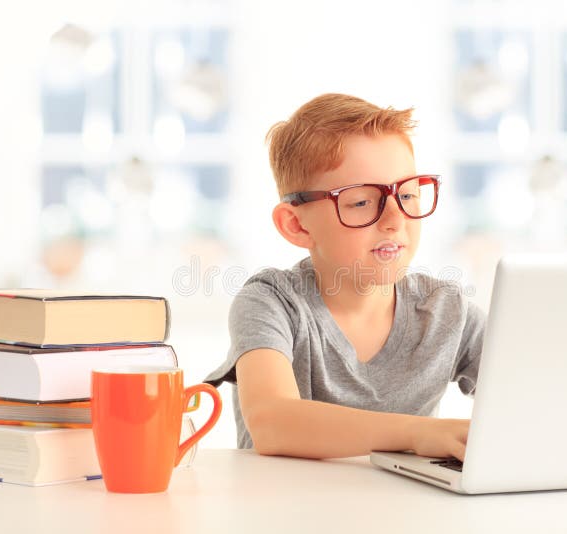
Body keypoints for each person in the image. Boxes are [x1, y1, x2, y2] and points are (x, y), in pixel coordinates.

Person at [204, 93, 485, 460]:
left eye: (408, 195)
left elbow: (538, 394)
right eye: (361, 202)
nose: (395, 219)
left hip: (413, 515)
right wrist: (417, 433)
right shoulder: (272, 301)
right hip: (283, 512)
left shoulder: (449, 312)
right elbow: (272, 422)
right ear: (296, 225)